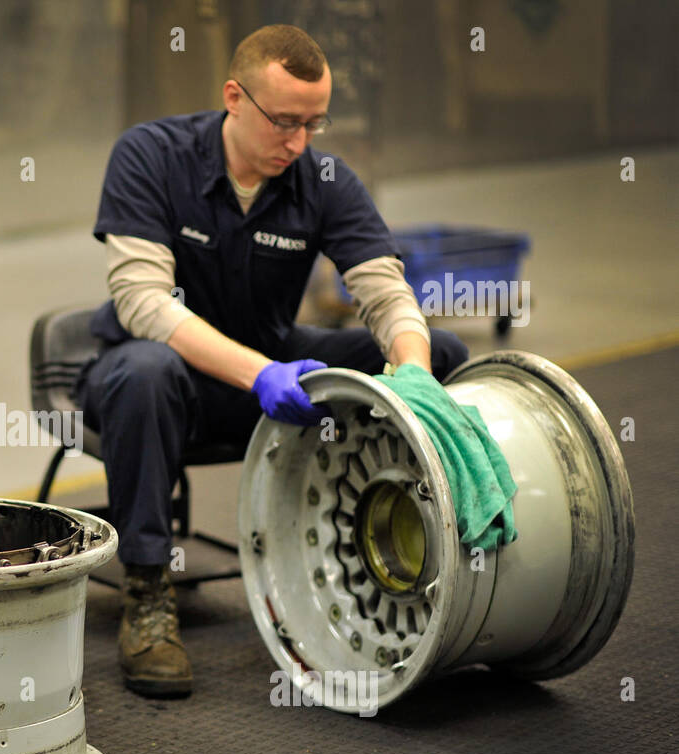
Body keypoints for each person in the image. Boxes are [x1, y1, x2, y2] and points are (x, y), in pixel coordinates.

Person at [76, 24, 468, 699]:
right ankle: (146, 594)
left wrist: (412, 369)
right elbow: (144, 305)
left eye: (314, 124)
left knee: (444, 351)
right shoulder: (150, 155)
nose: (298, 142)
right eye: (285, 122)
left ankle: (416, 545)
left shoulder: (321, 178)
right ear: (234, 97)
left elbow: (385, 291)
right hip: (159, 378)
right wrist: (257, 374)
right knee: (145, 371)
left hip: (271, 364)